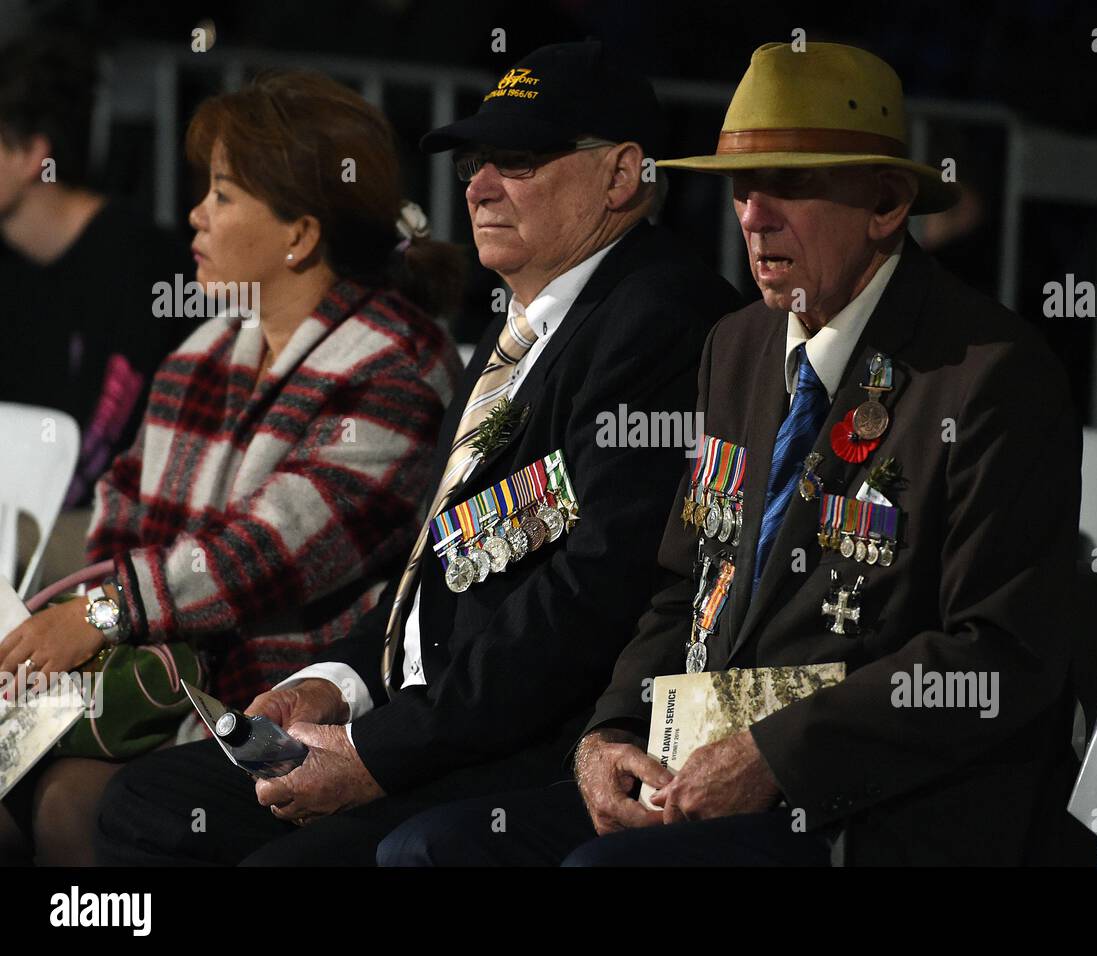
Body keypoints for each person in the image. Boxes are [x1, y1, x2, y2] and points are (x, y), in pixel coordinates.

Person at [378, 42, 1083, 867]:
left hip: (879, 811)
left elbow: (996, 656)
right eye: (742, 188)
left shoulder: (988, 373)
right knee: (430, 852)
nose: (752, 216)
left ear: (887, 203)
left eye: (790, 185)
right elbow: (683, 585)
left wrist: (780, 755)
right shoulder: (738, 345)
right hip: (703, 781)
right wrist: (611, 731)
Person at [94, 40, 741, 867]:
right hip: (428, 715)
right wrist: (337, 683)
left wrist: (376, 753)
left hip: (535, 743)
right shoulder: (528, 320)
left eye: (520, 160)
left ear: (621, 177)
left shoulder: (660, 317)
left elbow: (586, 607)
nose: (477, 186)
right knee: (144, 805)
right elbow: (432, 574)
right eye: (476, 161)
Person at [0, 69, 463, 865]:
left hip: (275, 705)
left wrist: (106, 614)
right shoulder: (203, 350)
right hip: (147, 683)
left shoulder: (395, 364)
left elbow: (273, 551)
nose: (195, 217)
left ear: (300, 233)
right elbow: (123, 507)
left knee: (70, 802)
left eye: (221, 194)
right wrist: (85, 625)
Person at [0, 32, 191, 507]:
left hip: (105, 531)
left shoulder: (136, 259)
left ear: (30, 156)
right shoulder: (11, 260)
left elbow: (99, 452)